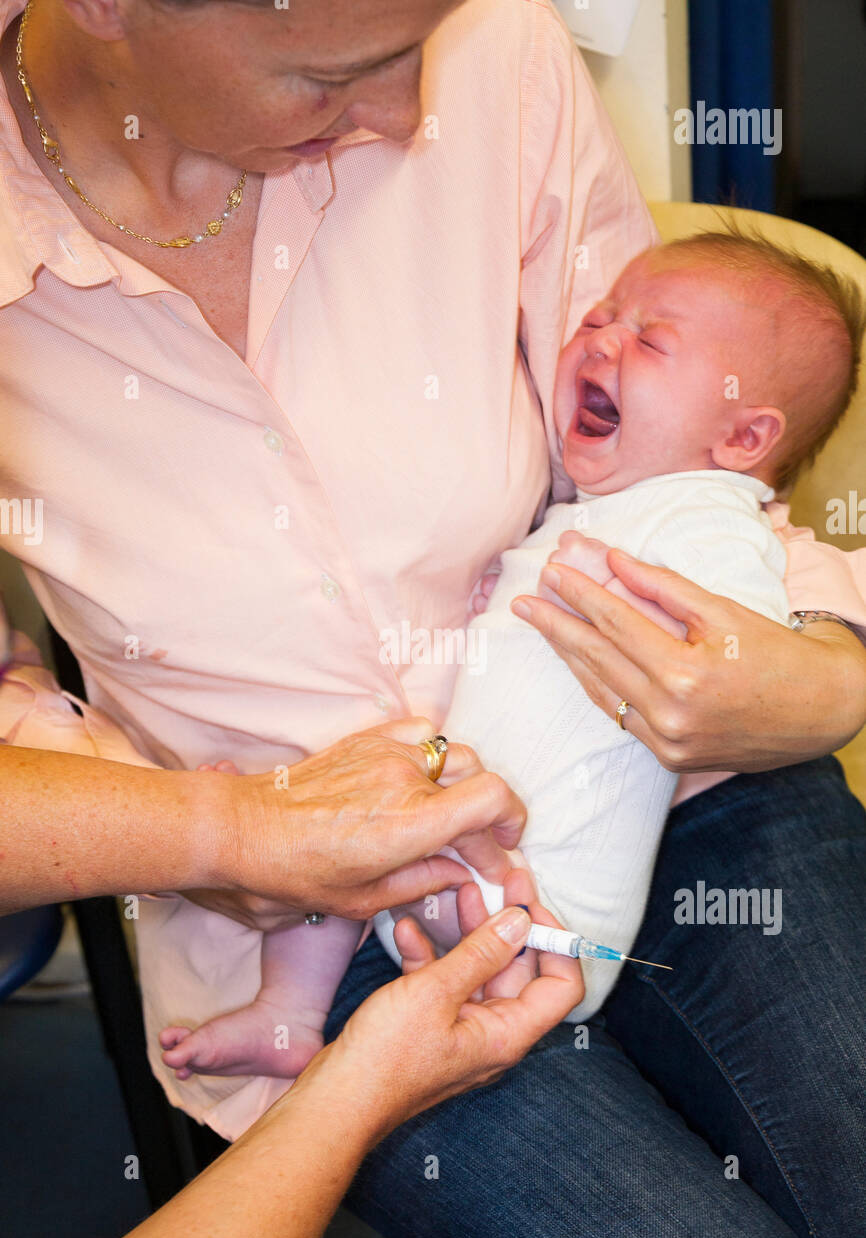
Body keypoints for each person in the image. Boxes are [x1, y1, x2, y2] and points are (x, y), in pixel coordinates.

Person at [1, 0, 865, 1238]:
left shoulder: (494, 48)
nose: (414, 116)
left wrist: (825, 667)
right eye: (331, 73)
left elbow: (679, 454)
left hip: (674, 775)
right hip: (321, 912)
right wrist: (202, 824)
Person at [159, 227, 865, 1076]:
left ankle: (342, 1011)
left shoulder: (705, 519)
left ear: (743, 441)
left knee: (404, 868)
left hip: (546, 900)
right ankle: (290, 1011)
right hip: (473, 841)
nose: (602, 338)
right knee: (349, 843)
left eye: (650, 340)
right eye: (601, 316)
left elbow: (739, 656)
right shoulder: (601, 506)